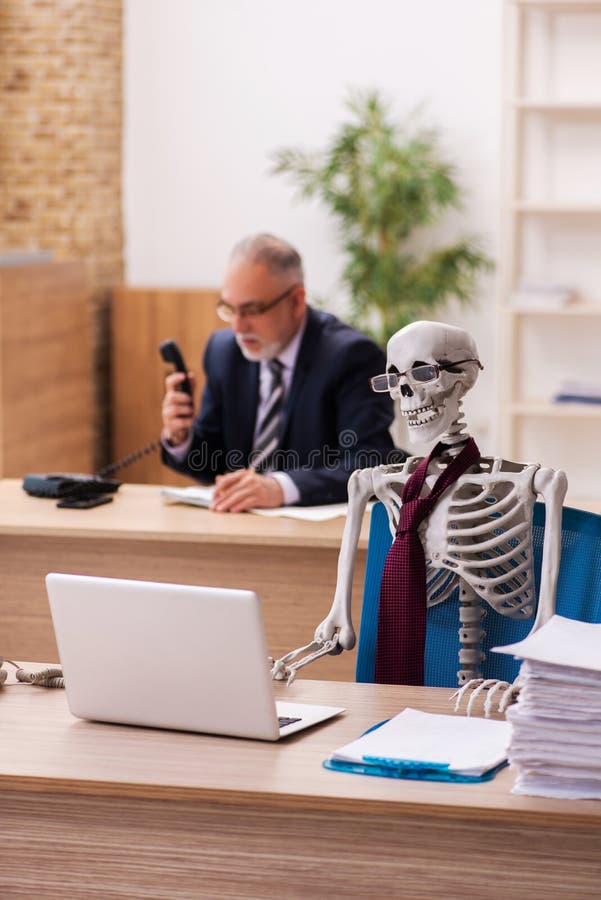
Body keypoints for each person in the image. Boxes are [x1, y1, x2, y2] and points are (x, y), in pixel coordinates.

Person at [161, 233, 402, 512]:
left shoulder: (351, 356)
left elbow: (370, 461)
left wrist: (279, 487)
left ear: (296, 301)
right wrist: (181, 437)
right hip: (237, 523)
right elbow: (213, 462)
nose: (238, 327)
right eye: (229, 309)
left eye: (251, 310)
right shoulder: (223, 352)